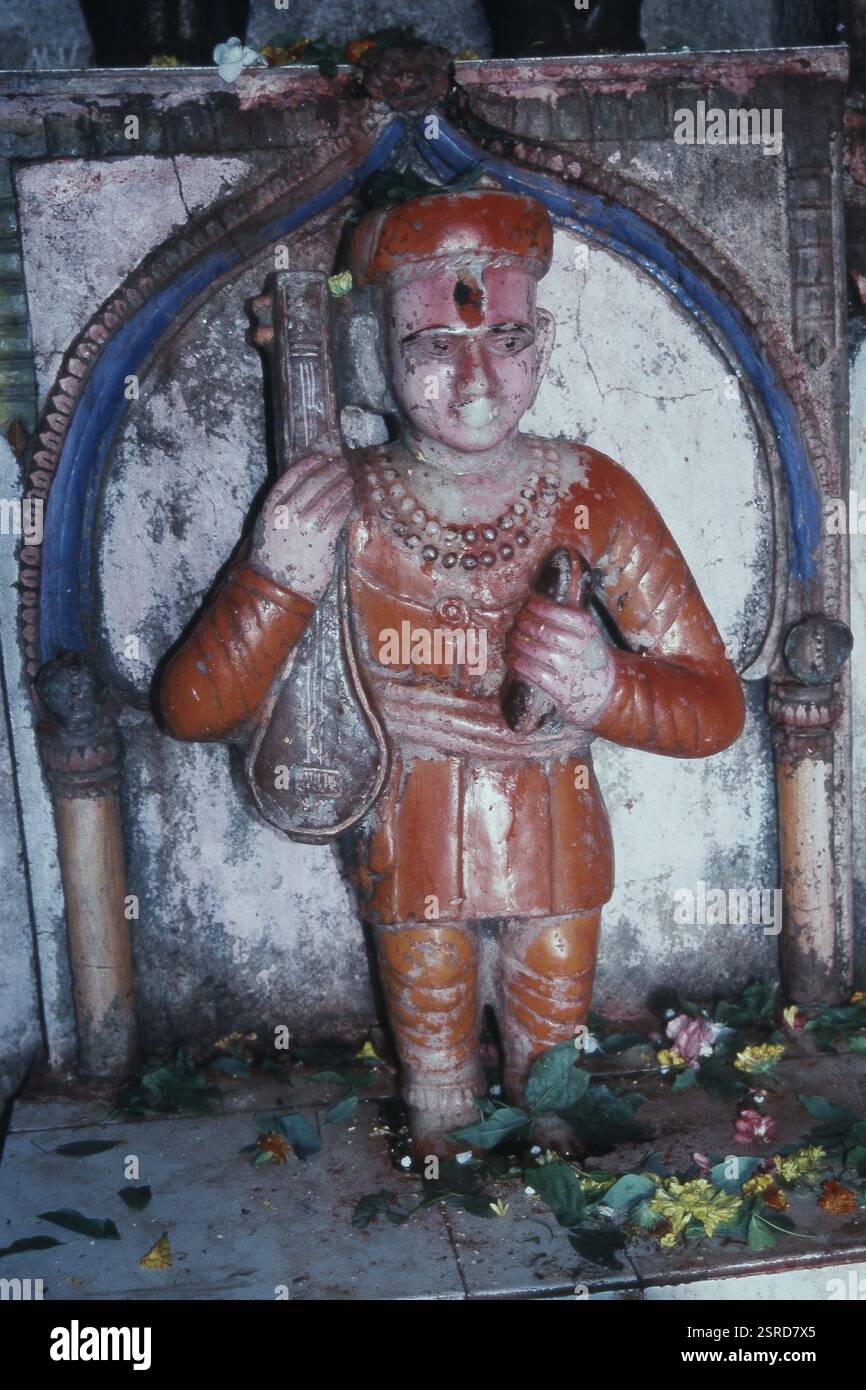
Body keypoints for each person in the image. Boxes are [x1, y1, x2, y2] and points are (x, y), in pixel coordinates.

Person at [161, 186, 745, 1154]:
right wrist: (278, 580)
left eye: (506, 339)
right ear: (373, 353)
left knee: (550, 1099)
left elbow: (714, 702)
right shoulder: (344, 504)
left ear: (544, 343)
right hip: (412, 851)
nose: (474, 378)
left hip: (556, 849)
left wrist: (607, 690)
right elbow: (192, 705)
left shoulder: (584, 493)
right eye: (432, 347)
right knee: (438, 1112)